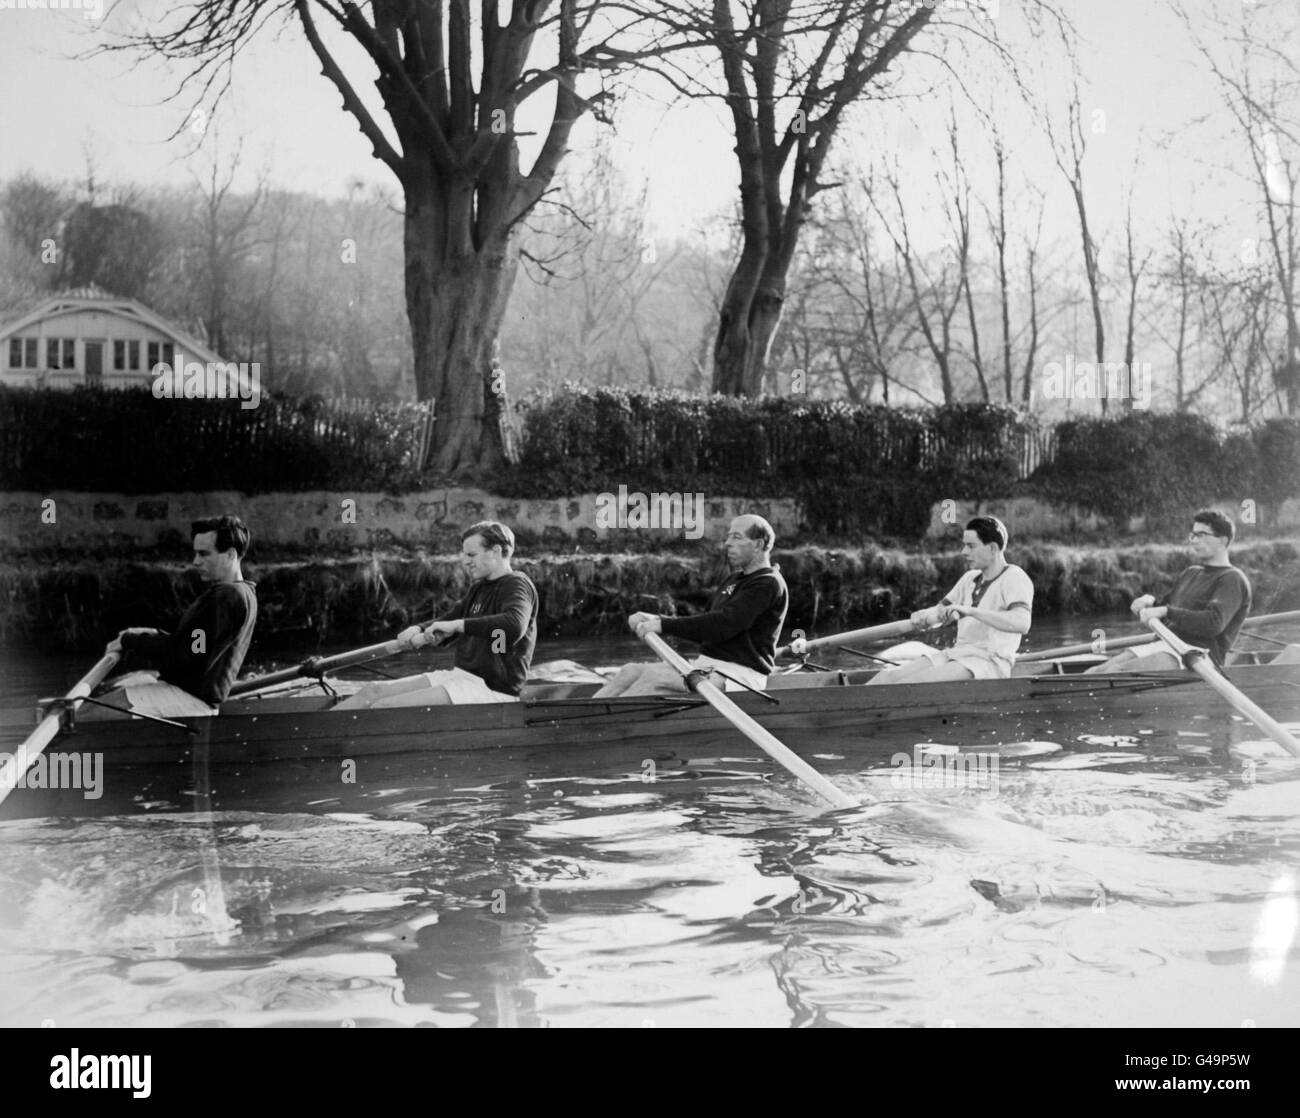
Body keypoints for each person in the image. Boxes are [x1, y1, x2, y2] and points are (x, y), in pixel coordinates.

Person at [336, 521, 539, 708]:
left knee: (385, 707)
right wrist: (419, 629)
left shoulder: (516, 584)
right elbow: (451, 618)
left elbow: (513, 626)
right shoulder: (479, 588)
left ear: (495, 551)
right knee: (373, 691)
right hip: (463, 678)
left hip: (492, 691)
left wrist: (458, 626)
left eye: (471, 555)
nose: (465, 561)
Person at [593, 514, 788, 697]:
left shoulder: (768, 583)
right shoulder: (734, 579)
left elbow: (723, 625)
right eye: (729, 537)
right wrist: (656, 619)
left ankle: (603, 730)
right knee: (629, 671)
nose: (728, 543)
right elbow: (704, 623)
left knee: (655, 679)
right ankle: (581, 722)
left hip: (739, 676)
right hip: (707, 666)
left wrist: (663, 625)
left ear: (758, 545)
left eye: (737, 537)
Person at [102, 515, 258, 715]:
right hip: (188, 694)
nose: (195, 561)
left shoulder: (227, 596)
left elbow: (190, 652)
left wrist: (130, 641)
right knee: (99, 700)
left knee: (83, 714)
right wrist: (150, 633)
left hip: (190, 700)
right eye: (195, 553)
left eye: (204, 554)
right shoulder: (244, 593)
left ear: (230, 554)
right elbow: (195, 644)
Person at [861, 516, 1033, 684]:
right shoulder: (969, 579)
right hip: (958, 654)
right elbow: (941, 612)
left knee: (913, 683)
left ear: (993, 549)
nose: (964, 552)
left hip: (989, 663)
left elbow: (1022, 623)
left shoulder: (1014, 577)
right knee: (886, 678)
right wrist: (924, 615)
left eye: (971, 546)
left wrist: (971, 611)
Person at [1086, 508, 1251, 674]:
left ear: (1222, 541)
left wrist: (1164, 610)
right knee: (1096, 672)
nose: (1194, 541)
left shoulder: (1232, 579)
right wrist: (1148, 602)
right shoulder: (1191, 573)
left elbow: (1213, 623)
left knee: (1115, 672)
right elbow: (1166, 608)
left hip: (1198, 657)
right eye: (1193, 535)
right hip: (1168, 645)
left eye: (1201, 535)